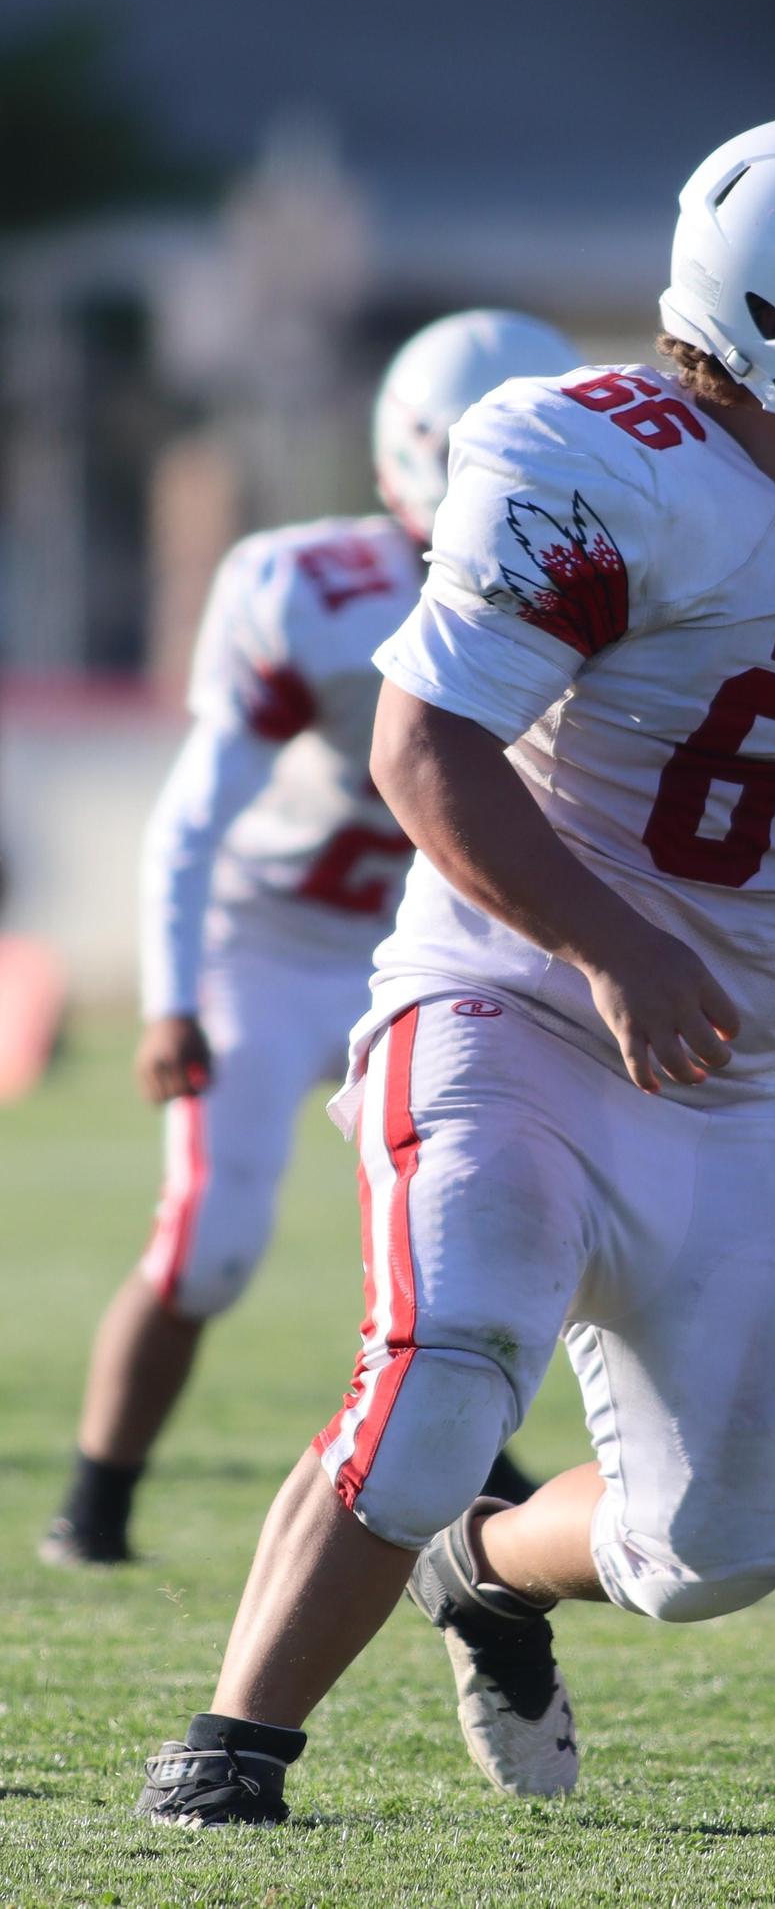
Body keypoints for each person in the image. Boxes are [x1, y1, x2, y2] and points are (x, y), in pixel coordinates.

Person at [133, 114, 775, 1827]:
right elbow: (428, 751)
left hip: (726, 1066)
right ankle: (234, 1742)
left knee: (720, 1549)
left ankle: (487, 1572)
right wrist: (616, 942)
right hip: (511, 994)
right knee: (438, 1374)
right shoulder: (597, 458)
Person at [45, 310, 577, 1569]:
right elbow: (191, 817)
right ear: (417, 456)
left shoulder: (592, 599)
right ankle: (95, 1499)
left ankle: (469, 1472)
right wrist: (172, 996)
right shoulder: (311, 589)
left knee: (464, 1214)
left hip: (414, 949)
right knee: (212, 1248)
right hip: (263, 946)